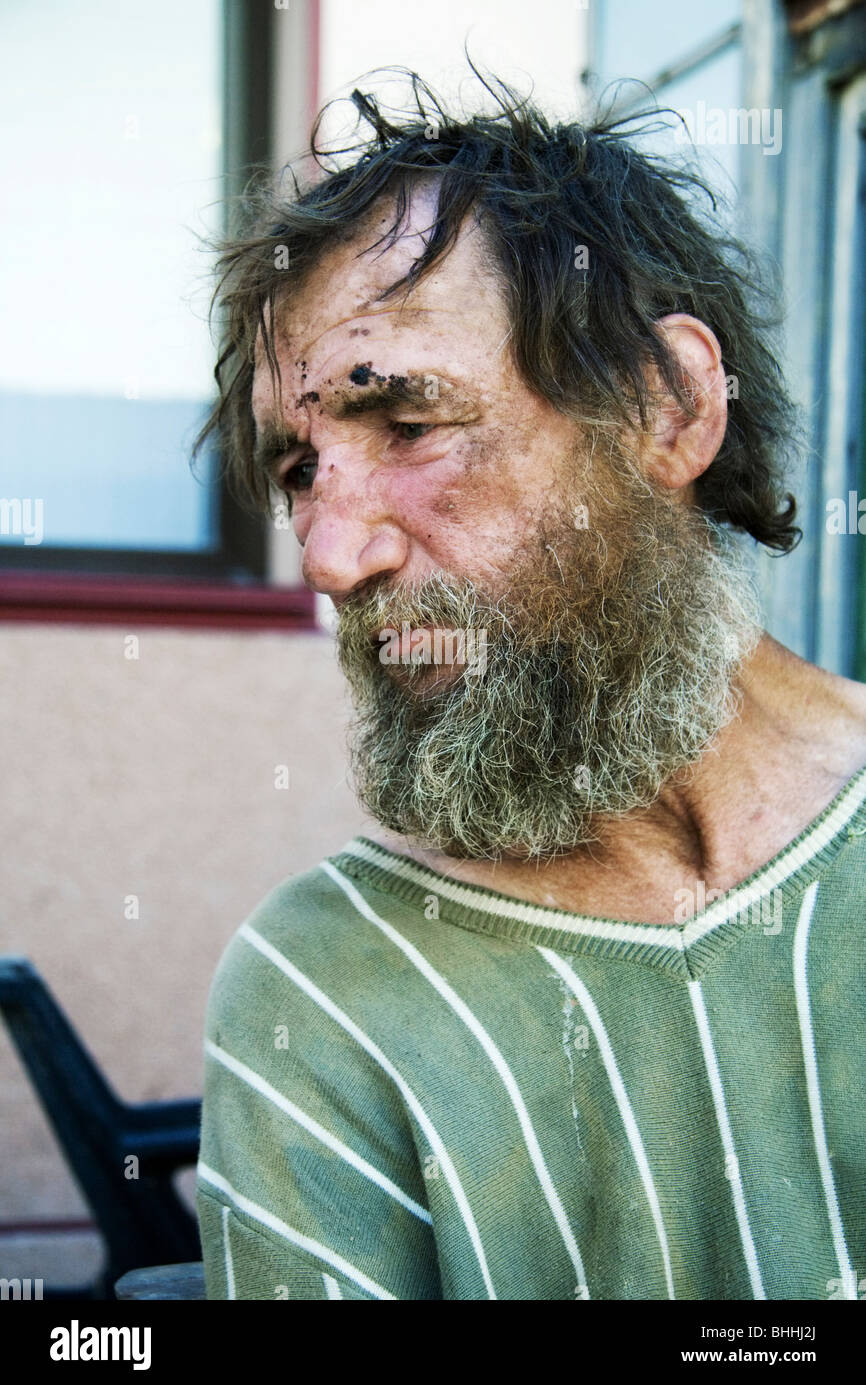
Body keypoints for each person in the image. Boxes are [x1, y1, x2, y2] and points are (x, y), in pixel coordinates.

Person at [193, 71, 866, 1300]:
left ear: (664, 408)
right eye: (299, 468)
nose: (333, 558)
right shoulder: (325, 983)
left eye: (406, 424)